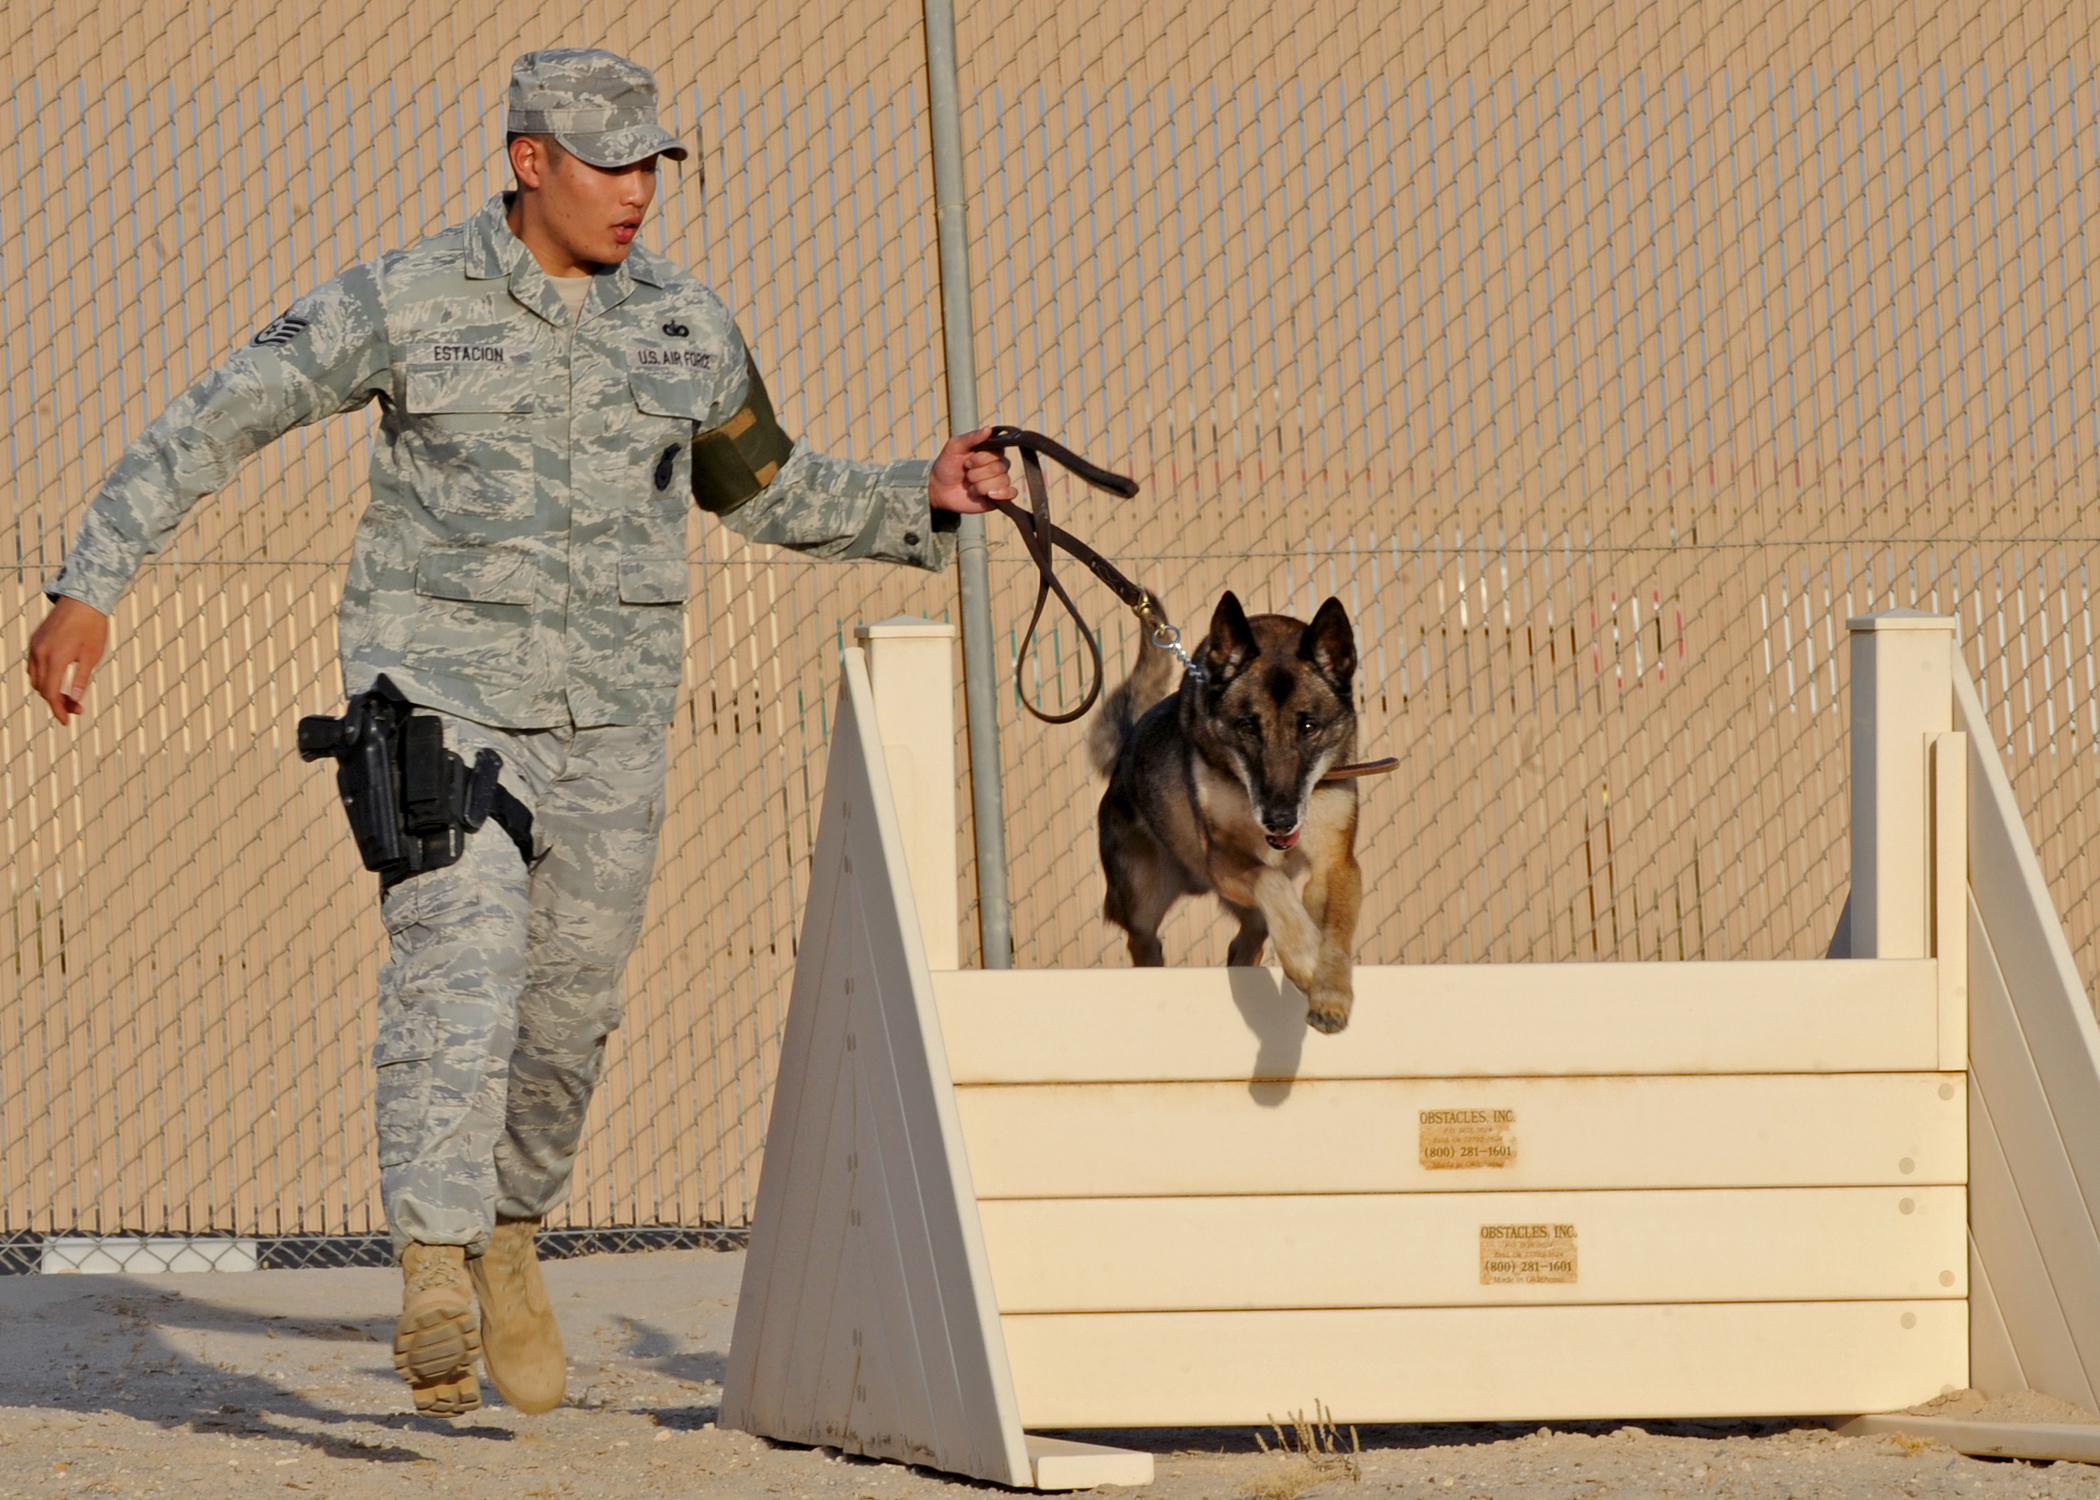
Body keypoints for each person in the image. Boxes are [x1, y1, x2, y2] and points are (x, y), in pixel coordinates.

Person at [23, 48, 1014, 1418]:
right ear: (528, 160)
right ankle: (433, 1271)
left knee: (568, 1013)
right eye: (610, 163)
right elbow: (219, 417)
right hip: (442, 702)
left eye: (652, 164)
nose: (637, 191)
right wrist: (90, 584)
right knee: (462, 965)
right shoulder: (407, 299)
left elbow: (765, 488)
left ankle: (507, 1232)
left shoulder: (686, 325)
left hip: (612, 721)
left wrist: (923, 496)